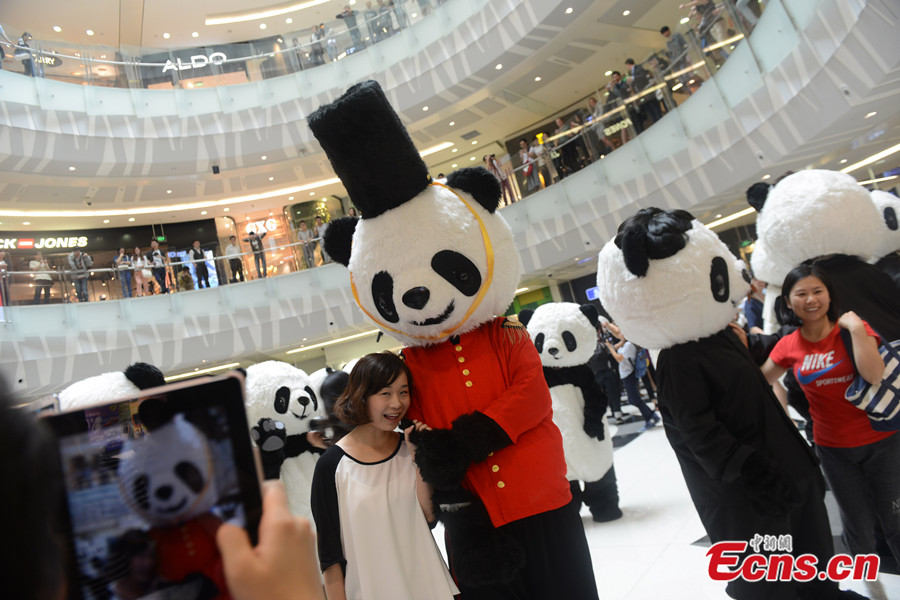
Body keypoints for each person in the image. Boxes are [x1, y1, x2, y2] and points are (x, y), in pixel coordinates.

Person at [761, 264, 899, 566]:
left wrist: (858, 328)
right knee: (857, 526)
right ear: (787, 301)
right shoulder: (788, 344)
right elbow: (761, 381)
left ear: (829, 295)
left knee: (895, 520)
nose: (810, 299)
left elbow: (874, 374)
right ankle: (868, 588)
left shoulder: (854, 329)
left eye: (817, 291)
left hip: (883, 441)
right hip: (834, 449)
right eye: (801, 294)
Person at [311, 352, 458, 600]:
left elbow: (428, 518)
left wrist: (418, 456)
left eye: (403, 392)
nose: (397, 403)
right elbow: (330, 556)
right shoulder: (332, 465)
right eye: (385, 393)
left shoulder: (410, 448)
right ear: (361, 397)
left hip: (428, 588)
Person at [604, 322, 660, 431]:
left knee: (634, 399)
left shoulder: (629, 345)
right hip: (626, 374)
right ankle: (651, 416)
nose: (619, 333)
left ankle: (651, 417)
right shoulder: (625, 342)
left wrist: (610, 348)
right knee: (633, 399)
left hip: (629, 374)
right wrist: (607, 325)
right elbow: (616, 334)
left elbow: (619, 358)